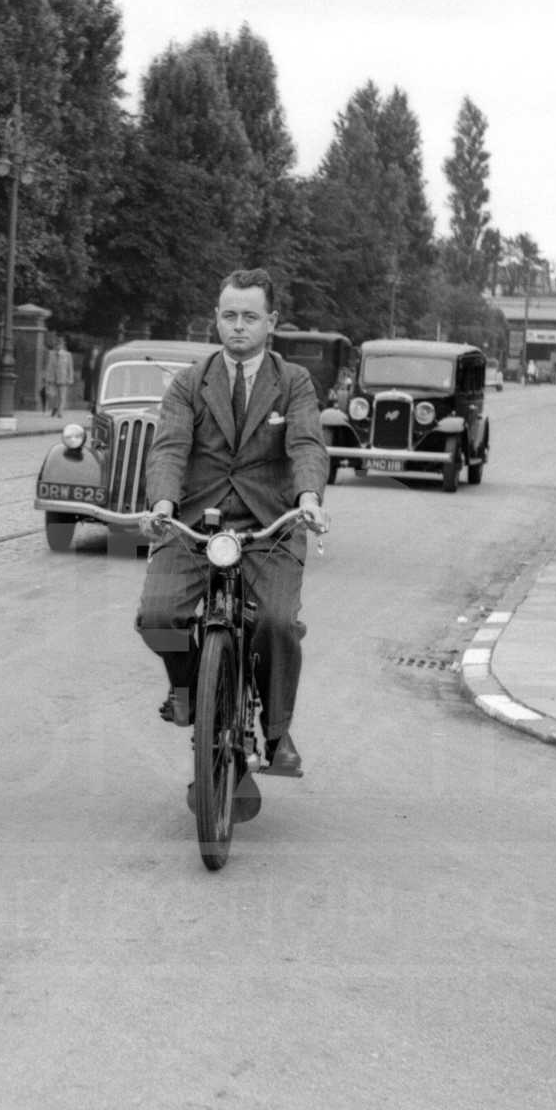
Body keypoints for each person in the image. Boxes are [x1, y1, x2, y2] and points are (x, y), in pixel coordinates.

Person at [136, 268, 330, 779]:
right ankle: (186, 687)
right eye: (229, 316)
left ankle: (276, 728)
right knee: (158, 616)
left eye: (249, 317)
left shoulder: (293, 383)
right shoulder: (189, 383)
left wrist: (308, 498)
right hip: (198, 523)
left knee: (276, 624)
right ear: (215, 320)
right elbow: (170, 447)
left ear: (272, 322)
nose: (238, 326)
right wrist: (161, 507)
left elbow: (307, 444)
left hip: (271, 526)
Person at [44, 333, 76, 417]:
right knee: (52, 395)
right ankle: (55, 407)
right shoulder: (51, 354)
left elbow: (70, 368)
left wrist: (70, 378)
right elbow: (49, 366)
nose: (58, 347)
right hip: (53, 379)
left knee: (62, 397)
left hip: (63, 379)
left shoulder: (67, 355)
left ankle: (60, 412)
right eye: (57, 345)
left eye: (60, 345)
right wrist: (47, 377)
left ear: (62, 346)